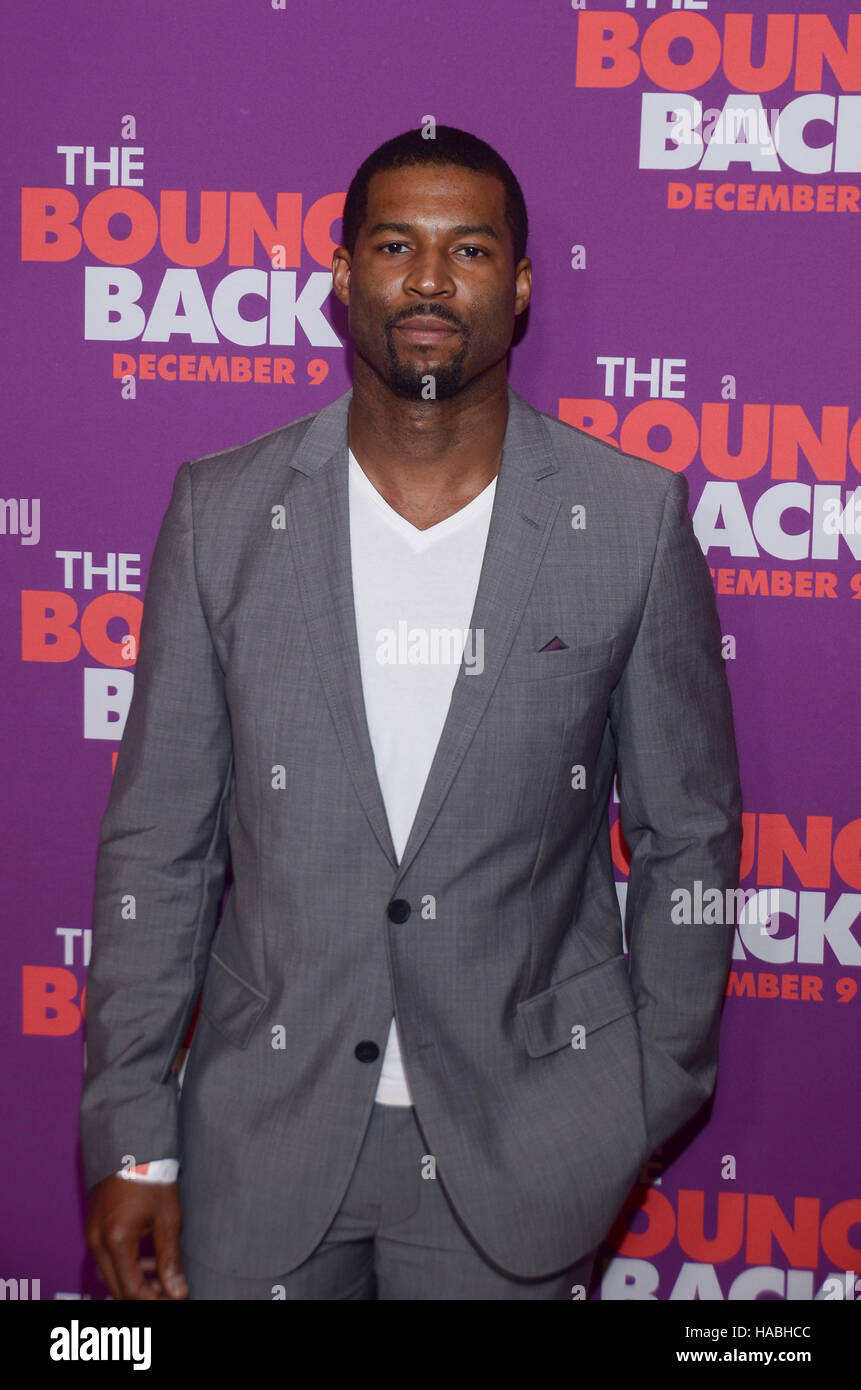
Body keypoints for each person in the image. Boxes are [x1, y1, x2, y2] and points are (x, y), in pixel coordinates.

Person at [81, 125, 743, 1300]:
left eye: (470, 249)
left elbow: (690, 830)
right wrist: (135, 1130)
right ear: (343, 276)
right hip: (260, 1142)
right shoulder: (221, 514)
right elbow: (159, 846)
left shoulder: (628, 520)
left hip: (525, 1144)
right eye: (396, 244)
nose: (430, 278)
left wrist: (649, 1091)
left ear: (521, 286)